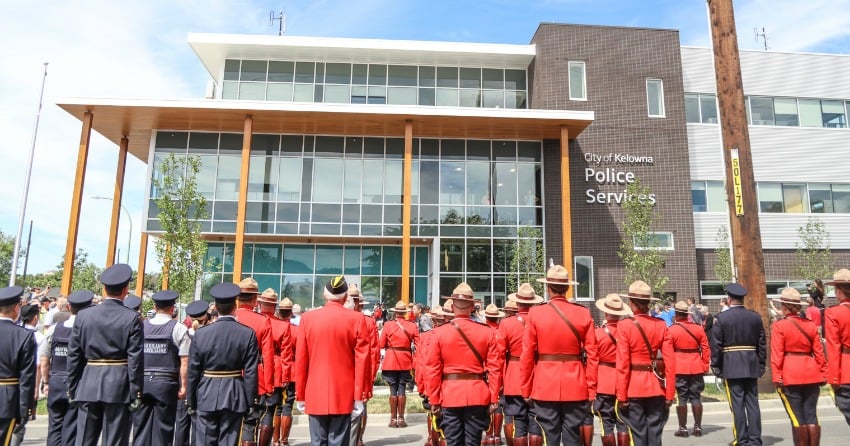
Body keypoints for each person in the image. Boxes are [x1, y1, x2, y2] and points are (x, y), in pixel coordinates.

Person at [520, 265, 598, 446]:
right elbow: (593, 355)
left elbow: (527, 354)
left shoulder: (536, 313)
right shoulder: (583, 313)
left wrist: (525, 388)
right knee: (573, 437)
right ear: (567, 288)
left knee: (549, 438)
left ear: (548, 288)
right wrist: (591, 389)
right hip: (576, 383)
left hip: (545, 383)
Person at [67, 263, 144, 446]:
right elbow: (135, 359)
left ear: (104, 289)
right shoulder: (131, 317)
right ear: (126, 290)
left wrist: (72, 387)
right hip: (118, 385)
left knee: (84, 439)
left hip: (88, 382)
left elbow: (74, 355)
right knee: (114, 441)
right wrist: (136, 392)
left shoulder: (84, 316)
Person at [424, 283, 503, 446]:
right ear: (473, 307)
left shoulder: (438, 333)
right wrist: (494, 397)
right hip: (477, 392)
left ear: (452, 307)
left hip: (450, 393)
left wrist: (434, 399)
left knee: (453, 441)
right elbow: (495, 368)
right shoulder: (486, 332)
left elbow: (432, 369)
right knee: (473, 442)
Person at [295, 276, 369, 446]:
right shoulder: (357, 319)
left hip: (315, 391)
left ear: (324, 295)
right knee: (339, 441)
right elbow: (361, 360)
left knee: (317, 441)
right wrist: (358, 397)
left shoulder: (307, 319)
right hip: (343, 392)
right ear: (345, 297)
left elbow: (301, 360)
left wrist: (300, 394)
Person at [187, 283, 259, 445]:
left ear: (216, 308)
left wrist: (191, 400)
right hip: (234, 394)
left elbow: (193, 371)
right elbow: (251, 372)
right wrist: (250, 402)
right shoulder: (247, 334)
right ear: (235, 306)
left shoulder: (201, 334)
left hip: (206, 393)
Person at [615, 281, 675, 446]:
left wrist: (621, 395)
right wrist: (670, 393)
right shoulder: (661, 325)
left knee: (638, 435)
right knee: (655, 435)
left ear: (631, 303)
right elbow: (670, 362)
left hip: (633, 387)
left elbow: (622, 364)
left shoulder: (624, 325)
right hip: (655, 386)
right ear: (649, 303)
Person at [710, 282, 767, 446]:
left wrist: (716, 365)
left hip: (731, 364)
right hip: (751, 363)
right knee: (753, 404)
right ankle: (755, 440)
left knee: (737, 405)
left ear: (729, 299)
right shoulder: (755, 317)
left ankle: (742, 439)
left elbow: (717, 345)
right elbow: (761, 344)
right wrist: (761, 364)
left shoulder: (721, 318)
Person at [132, 290, 191, 446]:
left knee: (141, 426)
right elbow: (185, 361)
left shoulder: (141, 327)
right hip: (166, 384)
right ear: (173, 309)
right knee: (164, 428)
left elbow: (133, 356)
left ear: (154, 307)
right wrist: (184, 386)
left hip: (143, 382)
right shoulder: (179, 328)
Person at [770, 287, 826, 445]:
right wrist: (823, 372)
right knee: (811, 415)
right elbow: (819, 352)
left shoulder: (780, 326)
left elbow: (777, 354)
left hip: (790, 373)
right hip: (811, 372)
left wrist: (777, 376)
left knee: (797, 418)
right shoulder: (810, 325)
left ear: (785, 307)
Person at [41, 290, 93, 446]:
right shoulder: (88, 331)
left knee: (54, 427)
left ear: (69, 307)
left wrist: (46, 382)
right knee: (71, 429)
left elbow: (44, 358)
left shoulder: (54, 329)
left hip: (56, 380)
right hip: (77, 383)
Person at [501, 283, 545, 446]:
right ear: (533, 303)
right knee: (536, 421)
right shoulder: (541, 321)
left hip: (514, 375)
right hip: (537, 373)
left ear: (517, 303)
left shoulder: (506, 324)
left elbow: (499, 355)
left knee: (518, 421)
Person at [236, 278, 276, 445]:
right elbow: (267, 355)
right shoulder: (262, 321)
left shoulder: (230, 317)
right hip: (255, 376)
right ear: (254, 300)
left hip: (229, 376)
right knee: (250, 424)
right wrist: (269, 385)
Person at [593, 293, 631, 446]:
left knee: (606, 424)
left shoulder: (597, 333)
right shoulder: (628, 333)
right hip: (625, 380)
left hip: (603, 381)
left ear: (606, 313)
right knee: (623, 423)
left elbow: (592, 360)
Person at [0, 286, 37, 445]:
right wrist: (25, 409)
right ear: (16, 308)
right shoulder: (24, 336)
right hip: (7, 400)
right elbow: (27, 377)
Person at [669, 300, 710, 438]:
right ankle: (698, 427)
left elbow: (668, 351)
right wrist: (705, 365)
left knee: (681, 397)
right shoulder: (698, 328)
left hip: (679, 366)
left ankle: (683, 428)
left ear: (676, 314)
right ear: (687, 314)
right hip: (696, 365)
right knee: (696, 397)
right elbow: (705, 348)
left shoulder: (672, 329)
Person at [257, 288, 293, 446]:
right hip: (276, 370)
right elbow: (286, 355)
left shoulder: (255, 321)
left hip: (254, 367)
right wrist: (285, 376)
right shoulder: (282, 326)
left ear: (260, 303)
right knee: (270, 411)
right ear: (274, 306)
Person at [174, 300, 211, 446]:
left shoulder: (184, 333)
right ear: (206, 317)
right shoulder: (208, 335)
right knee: (198, 424)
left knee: (182, 421)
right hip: (202, 382)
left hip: (184, 381)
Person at [379, 301, 420, 428]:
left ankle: (393, 419)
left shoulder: (388, 325)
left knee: (393, 389)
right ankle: (401, 419)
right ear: (405, 313)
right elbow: (419, 344)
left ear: (395, 312)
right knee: (402, 387)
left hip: (391, 358)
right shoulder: (412, 326)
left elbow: (381, 344)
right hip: (405, 359)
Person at [348, 285, 380, 446]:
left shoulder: (343, 319)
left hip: (343, 372)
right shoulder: (368, 322)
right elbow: (374, 352)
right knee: (361, 405)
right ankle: (358, 438)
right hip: (362, 371)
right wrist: (371, 375)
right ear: (360, 304)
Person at [417, 305, 447, 446]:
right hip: (449, 384)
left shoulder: (427, 336)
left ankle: (431, 438)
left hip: (432, 381)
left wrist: (422, 385)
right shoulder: (449, 333)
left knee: (434, 415)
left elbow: (422, 363)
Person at [824, 268, 850, 426]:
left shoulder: (834, 313)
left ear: (839, 291)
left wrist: (833, 378)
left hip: (846, 371)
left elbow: (833, 347)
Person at [479, 303, 506, 445]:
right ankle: (497, 436)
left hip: (484, 370)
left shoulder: (483, 331)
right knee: (499, 403)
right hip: (500, 369)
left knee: (487, 402)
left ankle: (489, 435)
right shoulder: (501, 332)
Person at [274, 298, 297, 446]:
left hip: (276, 369)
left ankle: (275, 440)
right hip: (292, 369)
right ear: (291, 313)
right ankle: (284, 440)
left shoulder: (272, 326)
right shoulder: (296, 330)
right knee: (287, 406)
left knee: (276, 407)